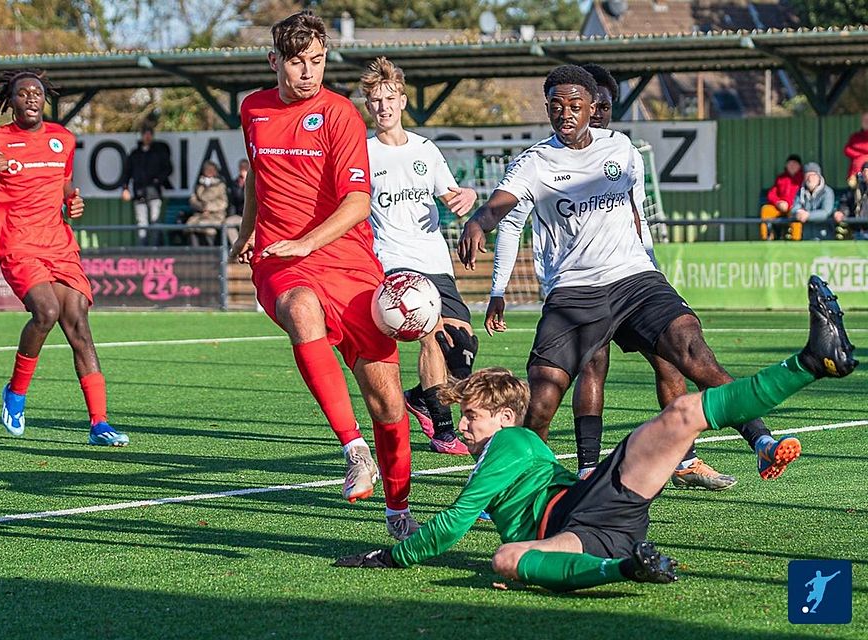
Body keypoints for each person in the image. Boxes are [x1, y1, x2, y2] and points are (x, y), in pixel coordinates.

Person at [335, 276, 858, 591]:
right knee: (684, 418)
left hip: (577, 511)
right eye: (464, 414)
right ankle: (628, 565)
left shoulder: (510, 443)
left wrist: (389, 555)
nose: (464, 424)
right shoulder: (518, 445)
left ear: (504, 418)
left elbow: (452, 525)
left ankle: (812, 360)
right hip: (600, 521)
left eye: (473, 414)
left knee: (681, 413)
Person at [459, 65, 797, 482]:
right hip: (576, 290)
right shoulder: (535, 163)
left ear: (592, 108)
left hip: (634, 279)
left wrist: (654, 270)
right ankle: (512, 481)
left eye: (575, 106)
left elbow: (639, 216)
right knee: (543, 396)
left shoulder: (621, 149)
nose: (566, 113)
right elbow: (500, 207)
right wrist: (478, 222)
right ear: (548, 109)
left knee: (692, 351)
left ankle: (762, 441)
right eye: (556, 106)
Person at [229, 12, 418, 540]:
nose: (308, 72)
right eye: (296, 62)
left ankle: (399, 509)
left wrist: (309, 240)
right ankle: (353, 448)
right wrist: (249, 232)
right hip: (281, 260)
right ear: (274, 61)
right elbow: (255, 180)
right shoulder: (253, 109)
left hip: (348, 262)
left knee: (387, 398)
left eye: (317, 61)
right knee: (300, 308)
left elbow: (358, 202)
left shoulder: (339, 115)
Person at [0, 69, 129, 447]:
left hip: (59, 244)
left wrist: (71, 199)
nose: (31, 97)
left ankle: (99, 423)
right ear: (11, 101)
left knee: (78, 322)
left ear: (44, 99)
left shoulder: (62, 139)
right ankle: (15, 394)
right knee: (46, 311)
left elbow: (62, 180)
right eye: (23, 93)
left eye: (37, 92)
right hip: (18, 242)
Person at [361, 56, 479, 457]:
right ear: (369, 106)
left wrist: (469, 196)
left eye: (390, 98)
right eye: (376, 101)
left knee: (462, 350)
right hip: (395, 262)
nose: (384, 107)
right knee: (429, 336)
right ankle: (444, 431)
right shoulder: (363, 152)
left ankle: (417, 397)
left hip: (436, 260)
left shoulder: (425, 150)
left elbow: (452, 195)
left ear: (403, 101)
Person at [122, 124, 173, 246]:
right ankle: (142, 251)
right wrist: (125, 188)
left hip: (154, 192)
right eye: (145, 134)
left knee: (155, 222)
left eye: (150, 134)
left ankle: (155, 249)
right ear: (142, 136)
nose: (147, 137)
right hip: (139, 192)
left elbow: (168, 169)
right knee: (141, 223)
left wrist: (158, 180)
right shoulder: (135, 153)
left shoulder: (159, 152)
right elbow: (127, 172)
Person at [186, 161, 231, 246]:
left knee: (207, 227)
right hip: (199, 214)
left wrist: (208, 207)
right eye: (206, 170)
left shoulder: (220, 185)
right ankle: (194, 253)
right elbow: (193, 200)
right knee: (190, 226)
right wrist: (201, 207)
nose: (208, 172)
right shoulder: (199, 184)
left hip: (216, 215)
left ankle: (210, 252)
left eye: (211, 170)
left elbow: (223, 202)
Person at [760, 154, 804, 241]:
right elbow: (771, 194)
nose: (792, 166)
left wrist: (789, 204)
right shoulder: (781, 178)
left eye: (795, 164)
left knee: (797, 213)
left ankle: (796, 241)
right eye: (790, 164)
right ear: (786, 165)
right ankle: (766, 238)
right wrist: (778, 202)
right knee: (766, 210)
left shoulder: (803, 179)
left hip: (794, 206)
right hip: (780, 206)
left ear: (799, 166)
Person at [790, 162, 835, 241]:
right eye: (807, 175)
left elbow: (826, 212)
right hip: (806, 236)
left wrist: (808, 215)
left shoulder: (827, 192)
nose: (810, 178)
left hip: (824, 236)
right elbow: (794, 207)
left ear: (819, 176)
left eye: (813, 175)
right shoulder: (800, 191)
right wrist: (798, 212)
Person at [833, 160, 868, 240]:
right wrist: (841, 212)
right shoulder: (855, 189)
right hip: (857, 231)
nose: (866, 174)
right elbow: (845, 203)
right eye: (865, 171)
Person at [843, 113, 868, 183]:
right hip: (855, 174)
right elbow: (846, 150)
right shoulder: (855, 136)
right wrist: (860, 156)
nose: (866, 122)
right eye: (865, 120)